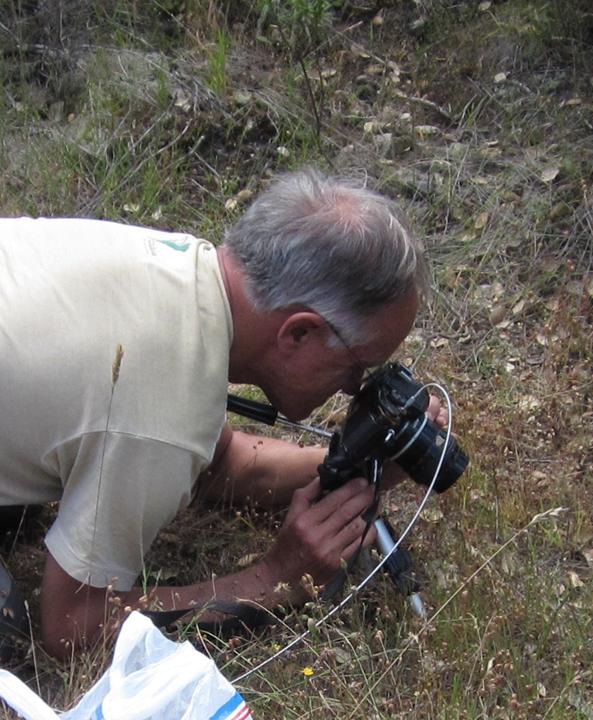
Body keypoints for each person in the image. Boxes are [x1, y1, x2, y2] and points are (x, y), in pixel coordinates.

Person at [0, 168, 446, 661]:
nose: (351, 388)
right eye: (356, 366)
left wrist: (365, 465)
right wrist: (274, 579)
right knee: (6, 627)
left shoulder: (180, 274)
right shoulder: (158, 409)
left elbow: (219, 462)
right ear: (298, 333)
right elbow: (73, 628)